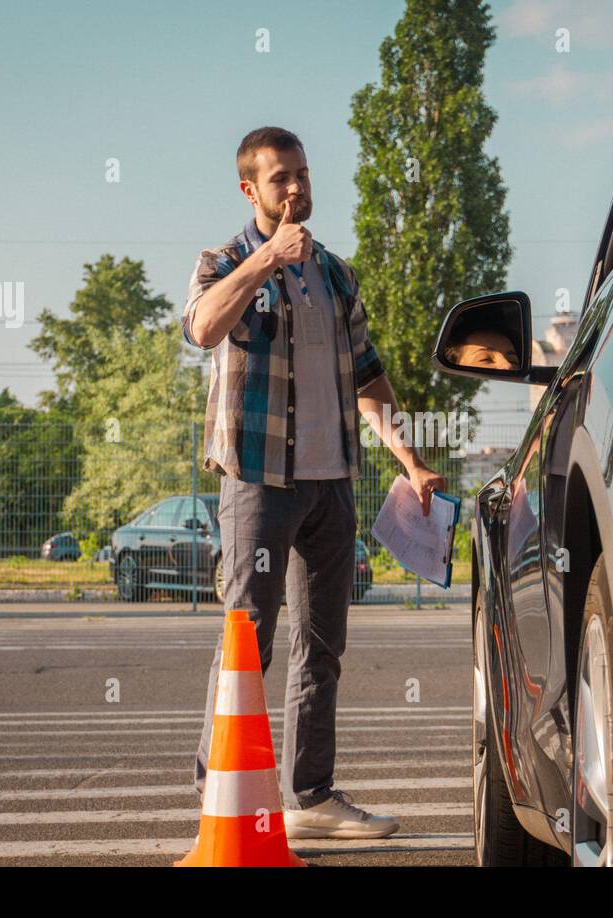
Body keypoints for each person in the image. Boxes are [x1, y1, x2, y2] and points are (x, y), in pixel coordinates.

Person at [182, 126, 446, 839]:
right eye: (279, 179)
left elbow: (368, 374)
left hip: (332, 485)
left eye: (301, 173)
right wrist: (267, 258)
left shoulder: (335, 273)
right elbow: (202, 329)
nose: (296, 187)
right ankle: (220, 798)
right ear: (250, 190)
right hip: (261, 483)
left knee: (322, 646)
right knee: (248, 639)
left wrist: (409, 459)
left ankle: (311, 797)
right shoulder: (225, 261)